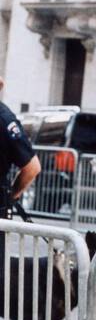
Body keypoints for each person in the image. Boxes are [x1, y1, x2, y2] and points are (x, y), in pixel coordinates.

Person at [0, 89, 40, 223]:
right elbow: (32, 168)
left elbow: (32, 167)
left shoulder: (4, 118)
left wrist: (10, 197)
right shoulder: (4, 117)